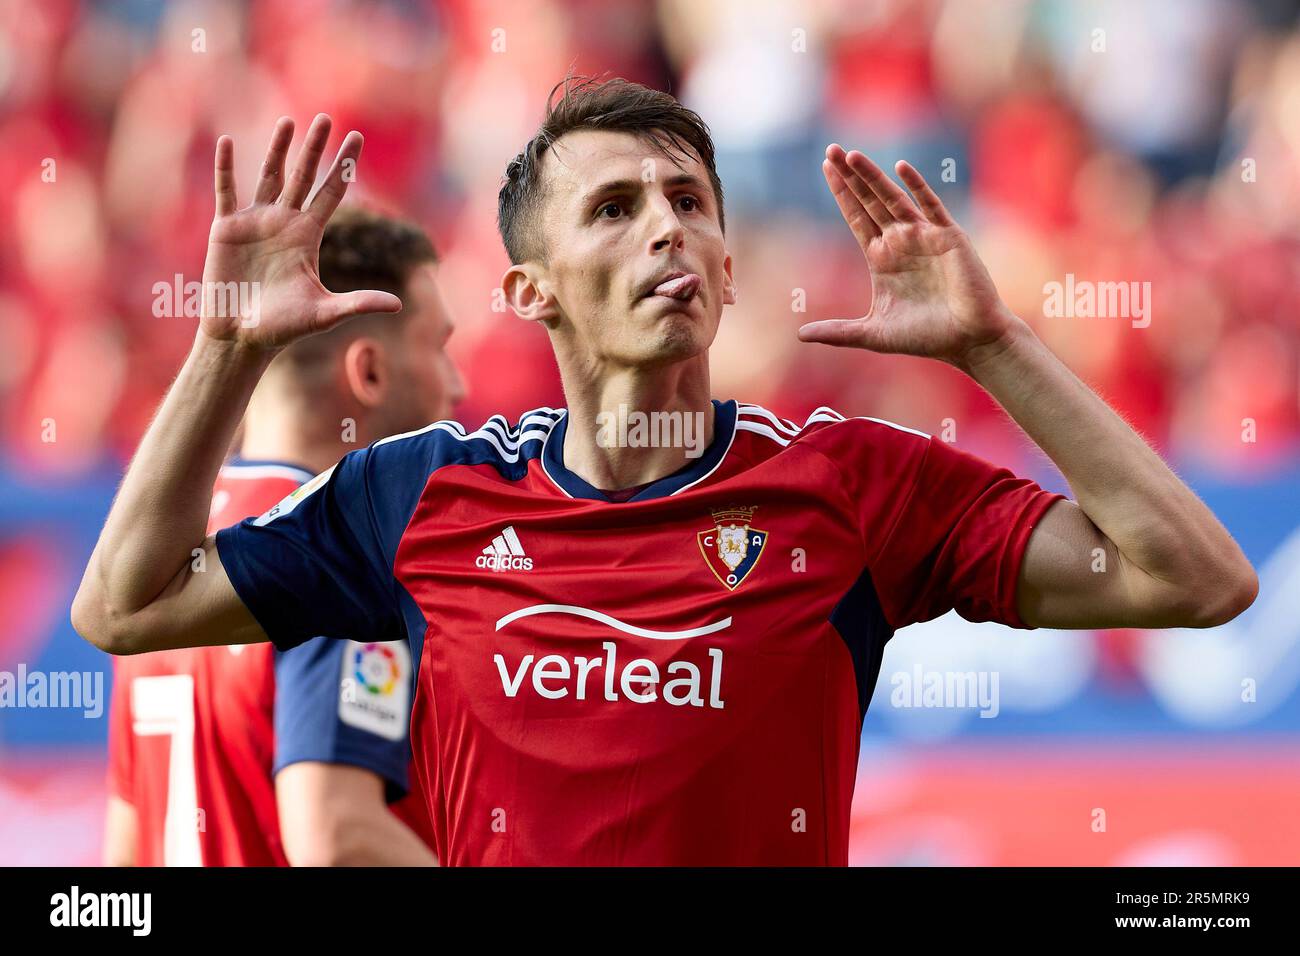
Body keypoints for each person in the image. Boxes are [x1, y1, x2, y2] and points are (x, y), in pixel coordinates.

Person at [75, 78, 1257, 866]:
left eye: (689, 201)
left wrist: (999, 350)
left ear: (731, 268)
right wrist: (226, 345)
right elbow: (125, 602)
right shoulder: (416, 494)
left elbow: (1195, 579)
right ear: (531, 291)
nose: (666, 228)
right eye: (615, 205)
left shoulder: (852, 483)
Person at [102, 205, 462, 866]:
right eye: (439, 348)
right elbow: (334, 835)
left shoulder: (156, 575)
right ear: (370, 373)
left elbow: (125, 852)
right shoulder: (331, 558)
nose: (458, 385)